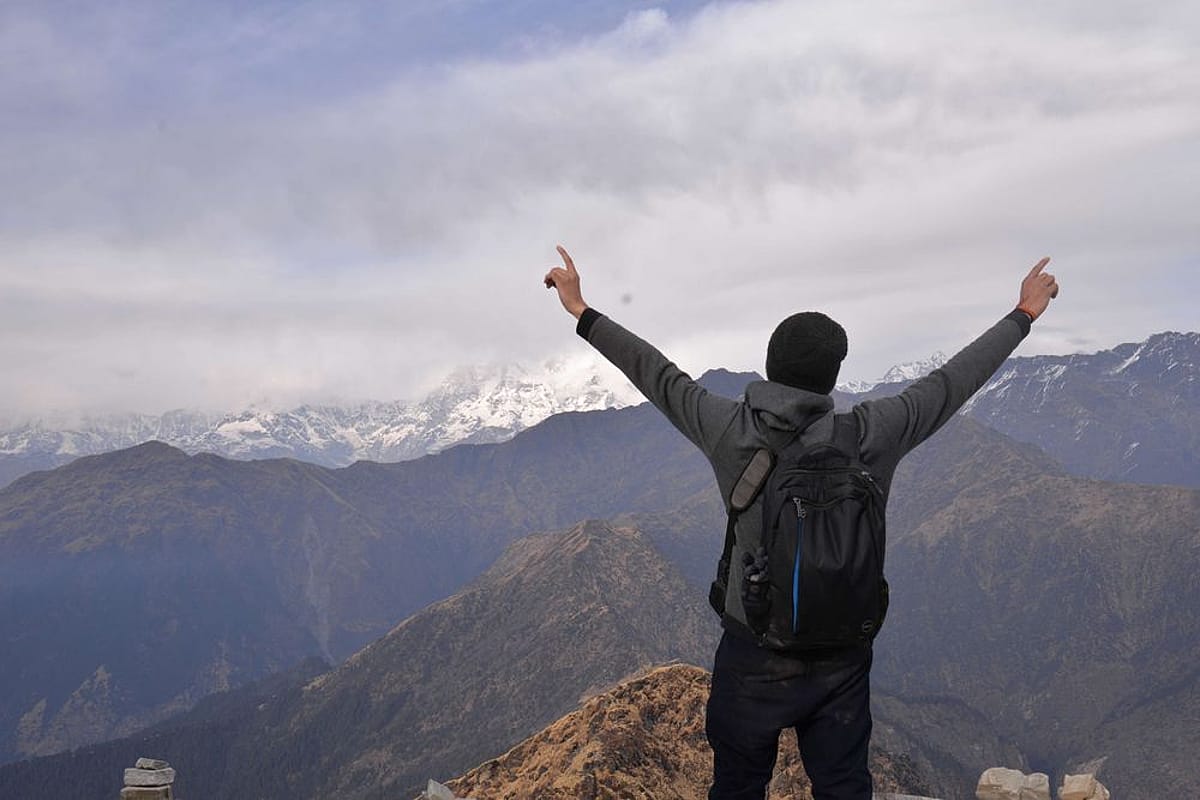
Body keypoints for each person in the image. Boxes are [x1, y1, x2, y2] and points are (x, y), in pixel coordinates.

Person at [543, 245, 1059, 800]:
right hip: (842, 657)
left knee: (739, 785)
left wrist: (582, 310)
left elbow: (656, 374)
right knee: (842, 786)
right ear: (831, 376)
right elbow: (951, 382)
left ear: (770, 365)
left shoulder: (730, 429)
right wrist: (1022, 315)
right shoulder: (870, 433)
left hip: (753, 655)